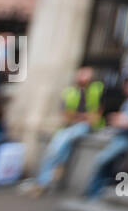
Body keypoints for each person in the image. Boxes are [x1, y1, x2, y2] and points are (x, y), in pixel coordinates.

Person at [20, 66, 104, 197]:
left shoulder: (96, 90)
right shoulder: (70, 91)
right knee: (57, 148)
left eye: (86, 74)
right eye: (81, 74)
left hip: (85, 127)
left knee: (58, 146)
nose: (82, 77)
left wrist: (81, 117)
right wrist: (82, 116)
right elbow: (66, 115)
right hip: (69, 126)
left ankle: (44, 181)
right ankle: (52, 175)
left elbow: (95, 116)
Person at [83, 75, 128, 199]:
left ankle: (93, 195)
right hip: (120, 136)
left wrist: (121, 121)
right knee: (112, 168)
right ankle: (98, 194)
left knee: (103, 161)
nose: (125, 89)